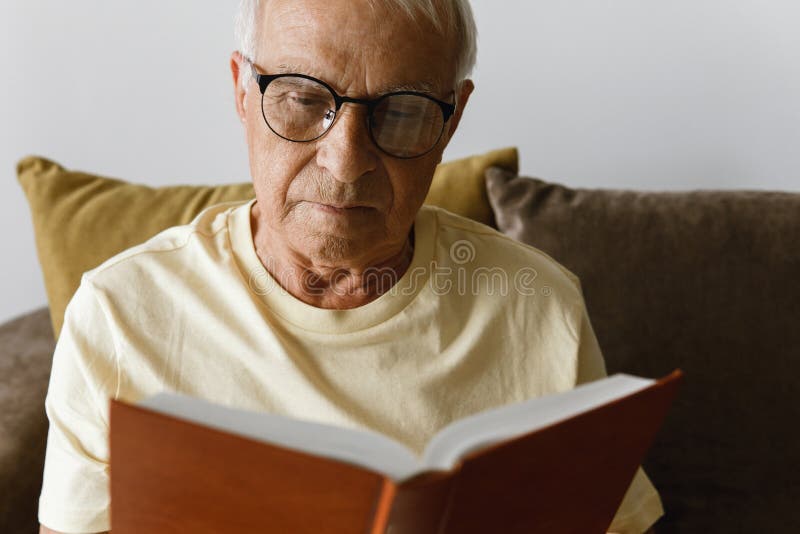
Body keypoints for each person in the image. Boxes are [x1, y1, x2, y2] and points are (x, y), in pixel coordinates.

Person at [38, 1, 663, 532]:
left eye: (402, 111)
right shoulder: (120, 317)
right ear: (241, 91)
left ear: (452, 120)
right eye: (304, 98)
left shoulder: (540, 307)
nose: (345, 162)